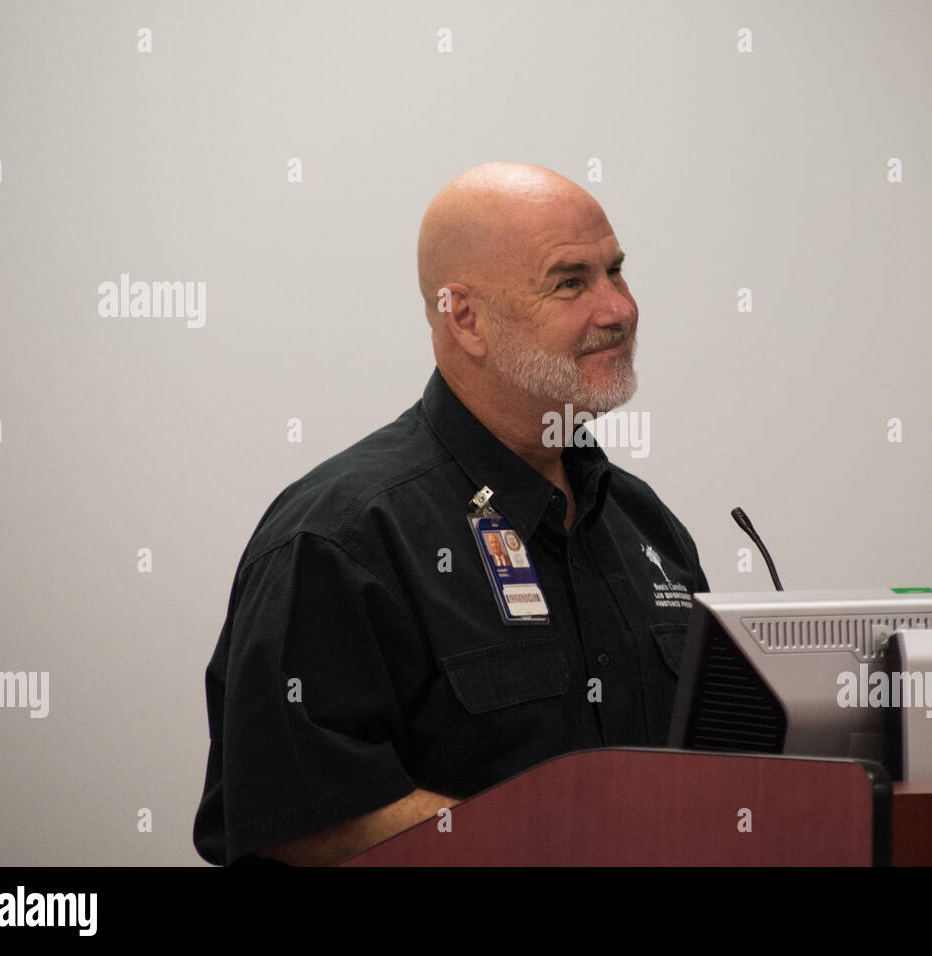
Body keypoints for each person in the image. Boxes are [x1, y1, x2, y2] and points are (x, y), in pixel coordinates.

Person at [193, 162, 709, 867]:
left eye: (615, 271)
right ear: (465, 317)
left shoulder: (643, 524)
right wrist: (563, 847)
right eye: (570, 282)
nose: (618, 308)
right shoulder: (345, 536)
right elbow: (297, 816)